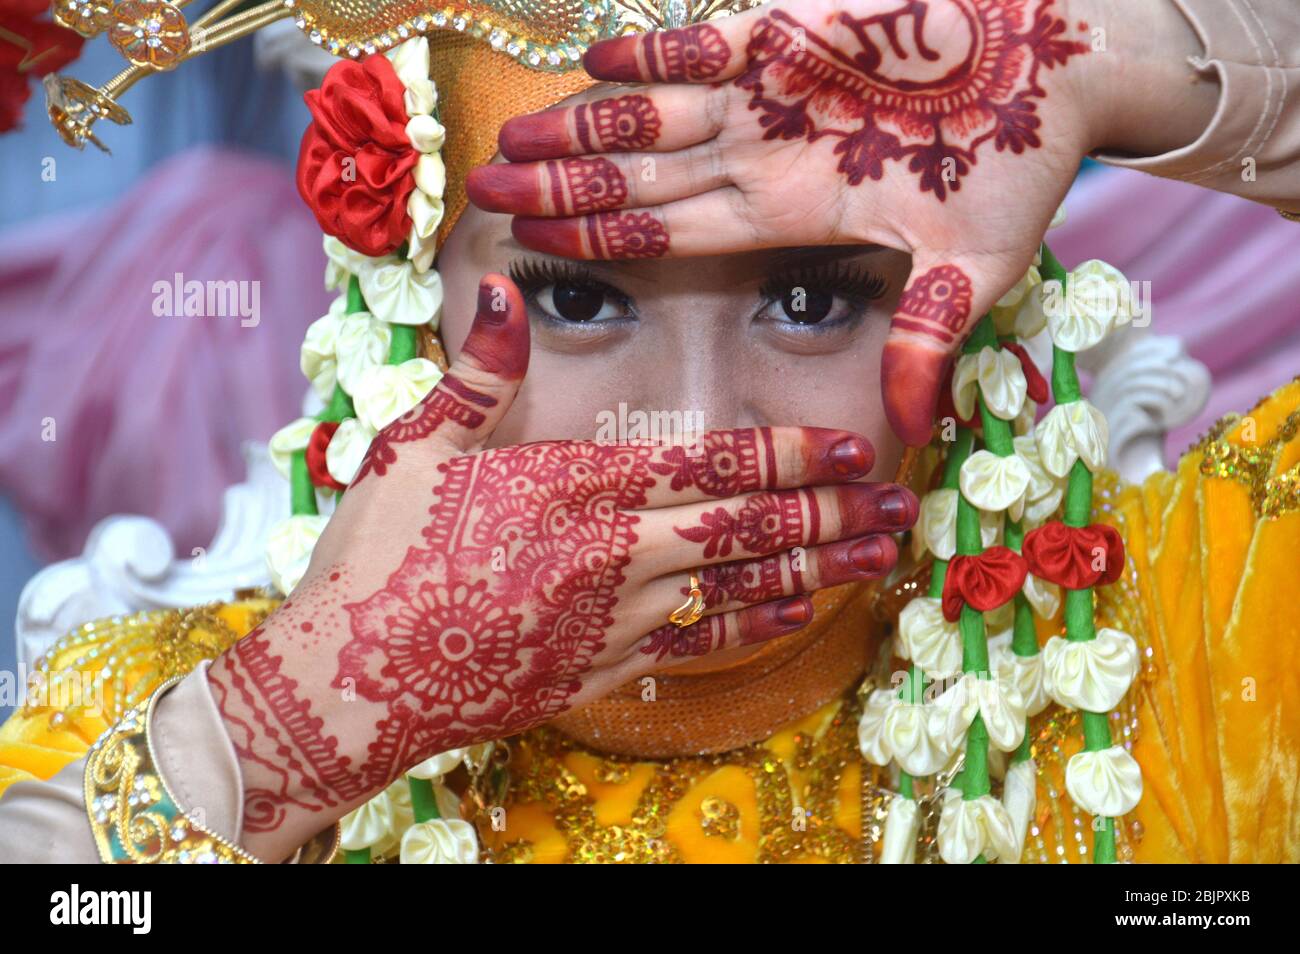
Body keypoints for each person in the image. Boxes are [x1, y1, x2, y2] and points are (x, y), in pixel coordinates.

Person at [0, 0, 1297, 864]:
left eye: (809, 299)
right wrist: (289, 731)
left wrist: (1104, 69)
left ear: (967, 301)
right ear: (411, 308)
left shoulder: (1181, 647)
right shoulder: (178, 712)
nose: (689, 431)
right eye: (575, 297)